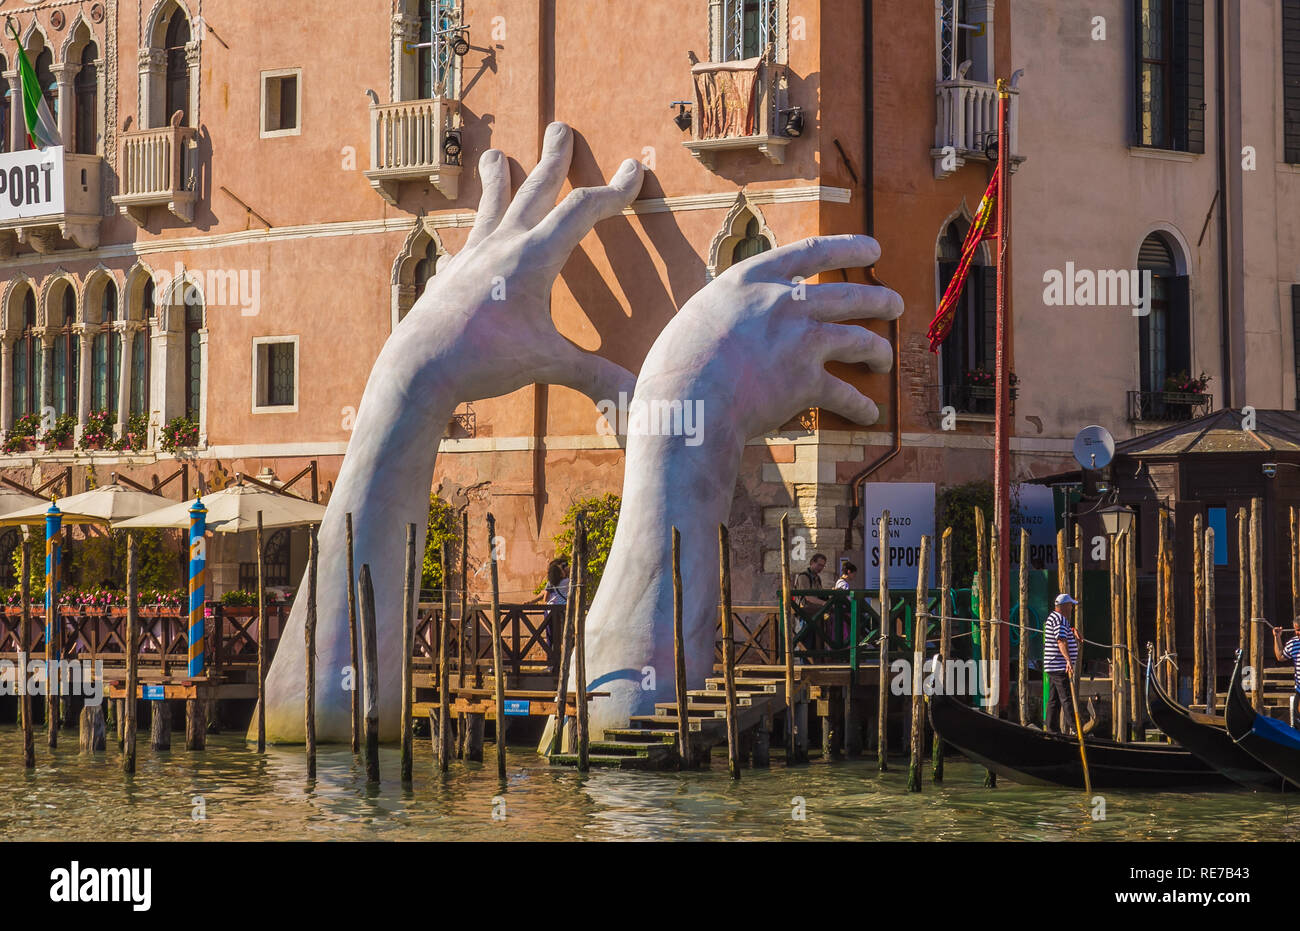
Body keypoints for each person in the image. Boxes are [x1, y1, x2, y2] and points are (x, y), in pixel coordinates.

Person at [1043, 593, 1080, 734]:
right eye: (1070, 605)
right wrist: (1068, 661)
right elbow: (1061, 640)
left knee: (1054, 699)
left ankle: (1052, 729)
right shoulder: (1060, 620)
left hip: (1052, 665)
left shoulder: (1054, 618)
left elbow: (1062, 633)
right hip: (1059, 666)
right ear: (1064, 606)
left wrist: (1072, 631)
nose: (1071, 608)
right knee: (1066, 698)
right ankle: (1077, 729)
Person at [1272, 617, 1300, 727]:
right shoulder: (1293, 643)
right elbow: (1280, 656)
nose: (1298, 633)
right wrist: (1277, 637)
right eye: (1296, 630)